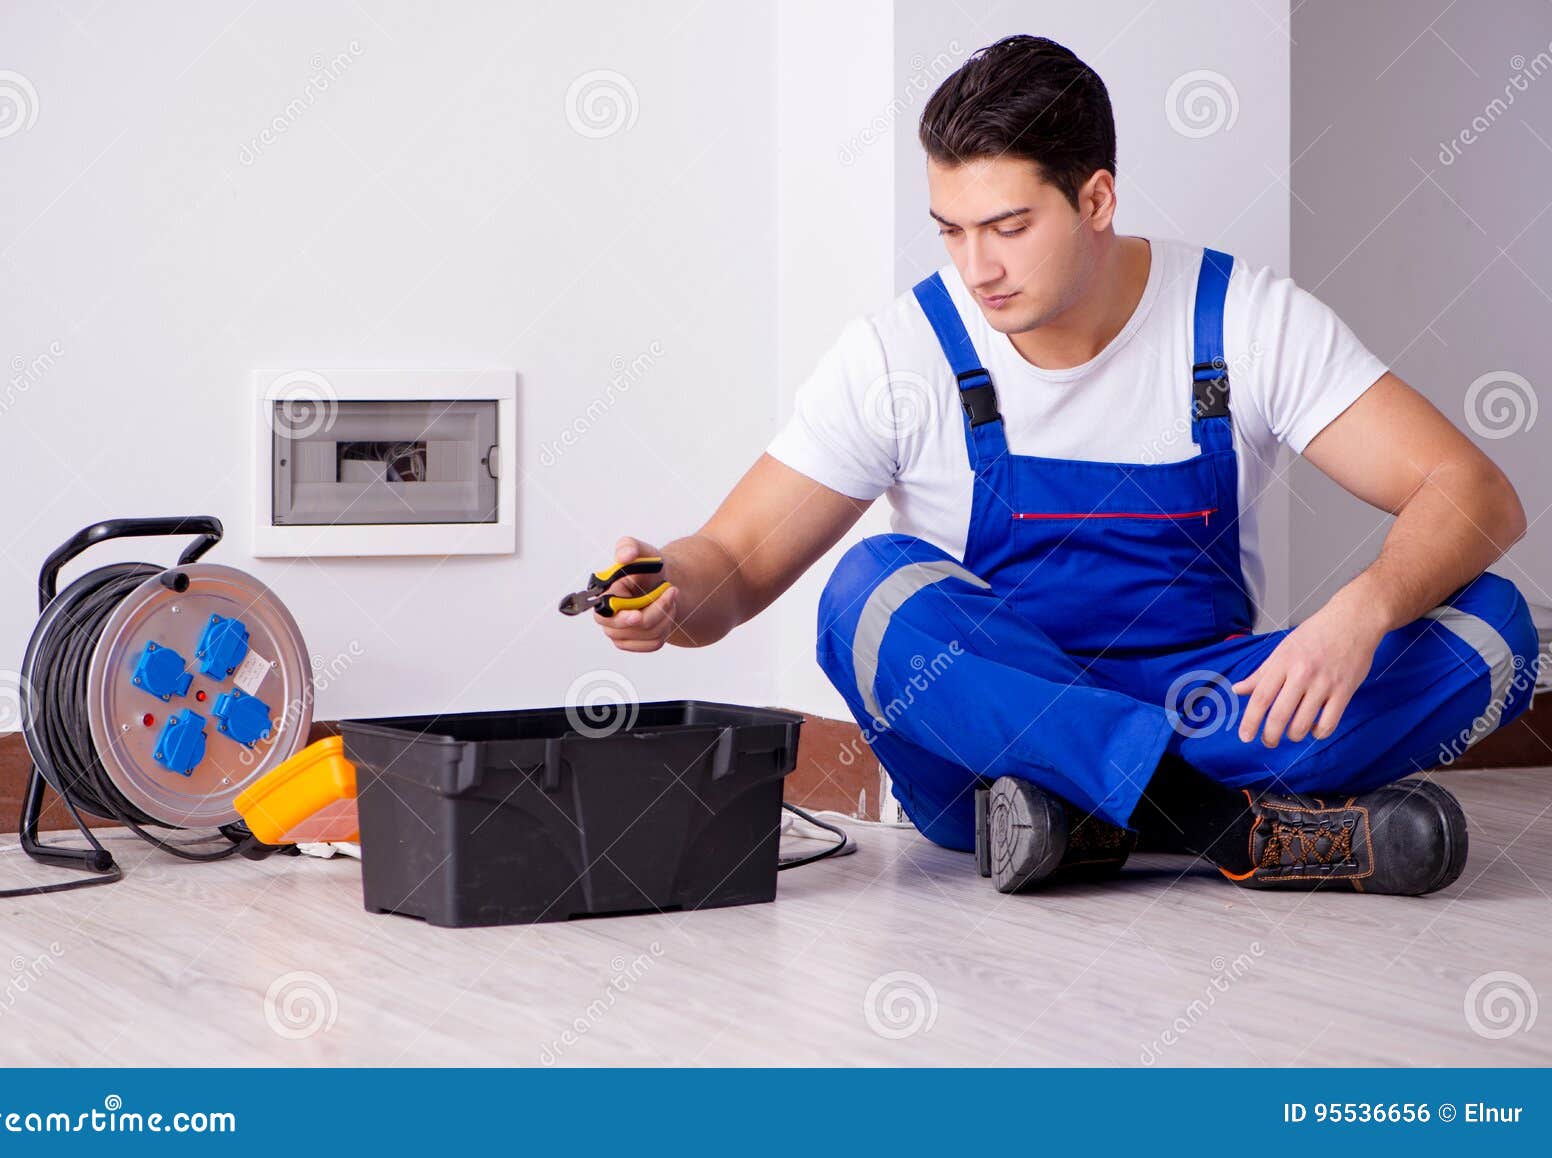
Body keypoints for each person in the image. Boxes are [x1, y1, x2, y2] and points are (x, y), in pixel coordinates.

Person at [591, 35, 1538, 896]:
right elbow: (736, 562)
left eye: (1006, 226)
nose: (977, 267)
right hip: (982, 752)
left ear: (1096, 198)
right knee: (867, 587)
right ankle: (1222, 827)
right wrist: (667, 588)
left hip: (1205, 705)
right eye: (950, 229)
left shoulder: (1242, 319)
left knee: (1499, 626)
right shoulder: (901, 350)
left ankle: (1087, 821)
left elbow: (1477, 495)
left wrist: (1359, 612)